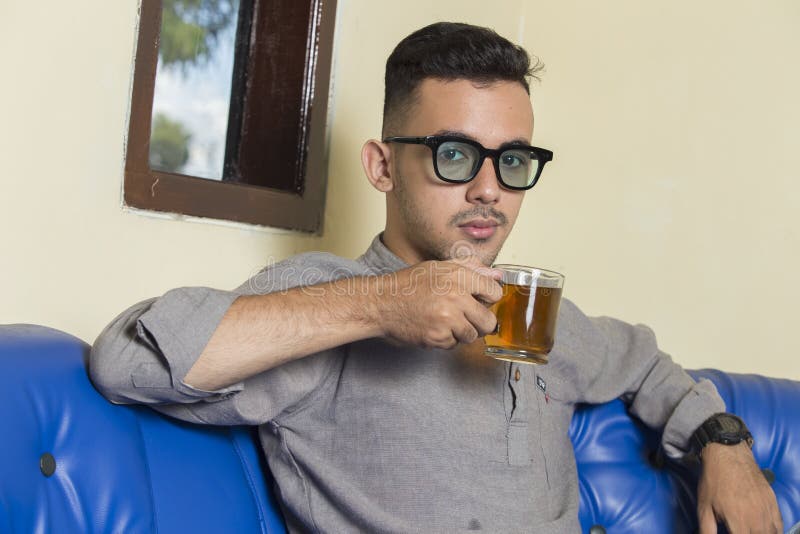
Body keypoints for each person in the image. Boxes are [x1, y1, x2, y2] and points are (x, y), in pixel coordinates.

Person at [90, 22, 782, 533]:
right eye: (455, 154)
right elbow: (124, 361)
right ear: (382, 166)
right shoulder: (330, 298)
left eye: (513, 161)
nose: (489, 189)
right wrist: (382, 303)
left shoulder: (535, 311)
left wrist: (723, 444)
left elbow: (647, 365)